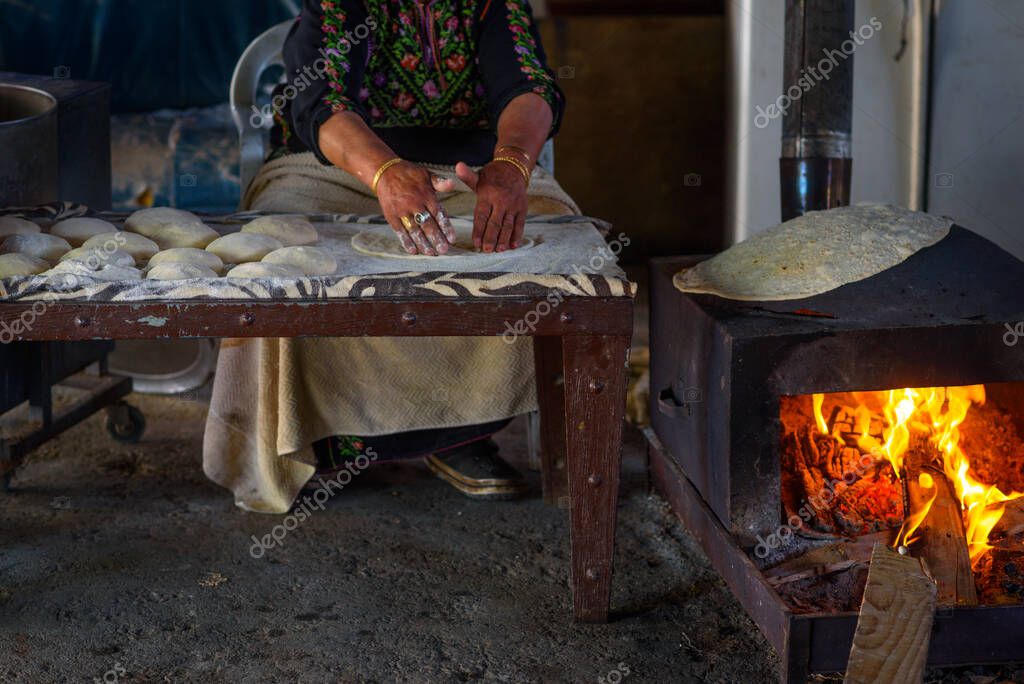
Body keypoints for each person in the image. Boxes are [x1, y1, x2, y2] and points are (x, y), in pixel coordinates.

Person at [203, 0, 580, 512]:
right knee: (287, 255)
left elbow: (529, 87)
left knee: (548, 245)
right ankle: (319, 437)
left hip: (469, 169)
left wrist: (512, 165)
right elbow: (319, 99)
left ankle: (463, 432)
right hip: (336, 167)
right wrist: (385, 172)